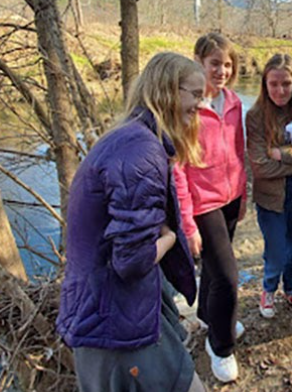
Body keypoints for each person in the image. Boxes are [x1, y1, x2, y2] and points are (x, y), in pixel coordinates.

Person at [57, 52, 207, 392]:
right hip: (113, 324)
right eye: (195, 94)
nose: (201, 104)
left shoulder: (133, 137)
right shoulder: (140, 152)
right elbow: (132, 260)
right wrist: (170, 237)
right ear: (168, 90)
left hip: (119, 312)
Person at [174, 33, 247, 383]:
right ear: (199, 63)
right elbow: (178, 168)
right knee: (229, 279)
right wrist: (187, 222)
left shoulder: (233, 101)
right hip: (203, 204)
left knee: (218, 275)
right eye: (215, 63)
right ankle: (221, 346)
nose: (222, 70)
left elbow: (238, 151)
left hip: (231, 197)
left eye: (227, 64)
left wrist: (243, 194)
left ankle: (207, 315)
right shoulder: (188, 106)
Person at [246, 53, 292, 318]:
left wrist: (282, 153)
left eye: (286, 84)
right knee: (276, 249)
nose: (280, 90)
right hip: (270, 195)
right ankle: (268, 289)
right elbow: (259, 166)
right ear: (265, 84)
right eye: (274, 84)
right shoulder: (255, 116)